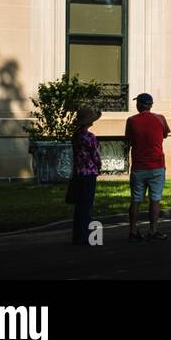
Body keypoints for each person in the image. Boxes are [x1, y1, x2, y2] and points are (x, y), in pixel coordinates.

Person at [124, 92, 170, 242]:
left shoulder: (131, 120)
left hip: (139, 166)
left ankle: (132, 231)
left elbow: (128, 140)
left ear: (138, 105)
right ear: (151, 105)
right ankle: (153, 230)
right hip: (157, 165)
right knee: (155, 199)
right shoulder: (160, 119)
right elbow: (165, 134)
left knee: (136, 199)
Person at [70, 104, 101, 247]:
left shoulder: (75, 136)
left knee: (79, 206)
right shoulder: (90, 137)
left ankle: (77, 236)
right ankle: (86, 237)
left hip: (77, 173)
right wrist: (99, 165)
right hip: (89, 174)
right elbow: (95, 155)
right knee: (87, 206)